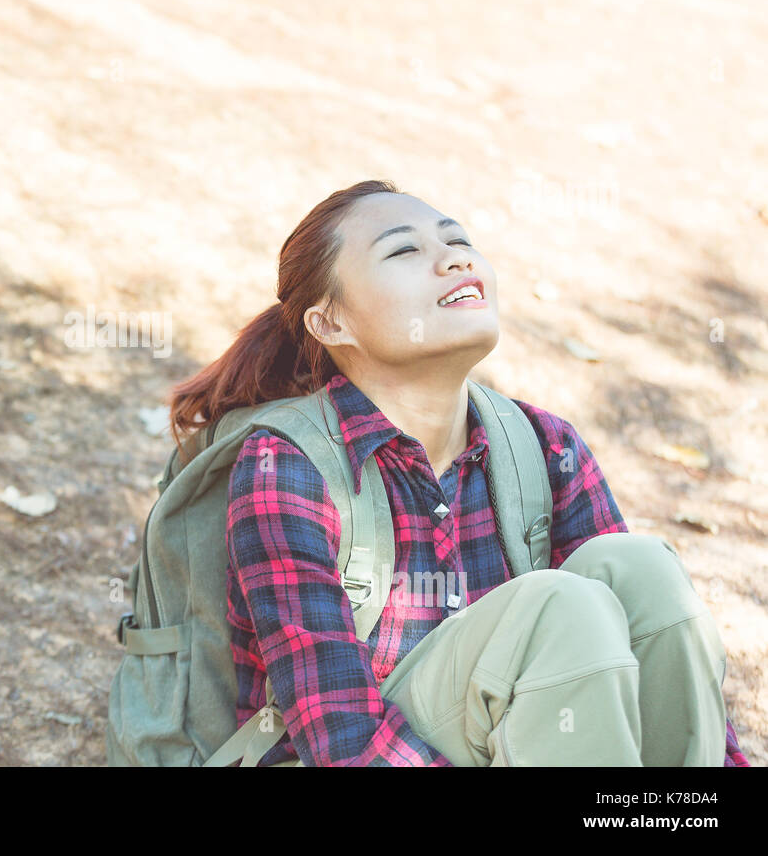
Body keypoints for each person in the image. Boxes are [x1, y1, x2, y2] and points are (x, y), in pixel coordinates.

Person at [166, 179, 751, 766]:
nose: (455, 258)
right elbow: (341, 741)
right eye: (404, 251)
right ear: (331, 324)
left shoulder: (545, 444)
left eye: (458, 239)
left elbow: (659, 662)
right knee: (559, 609)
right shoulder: (288, 467)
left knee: (639, 568)